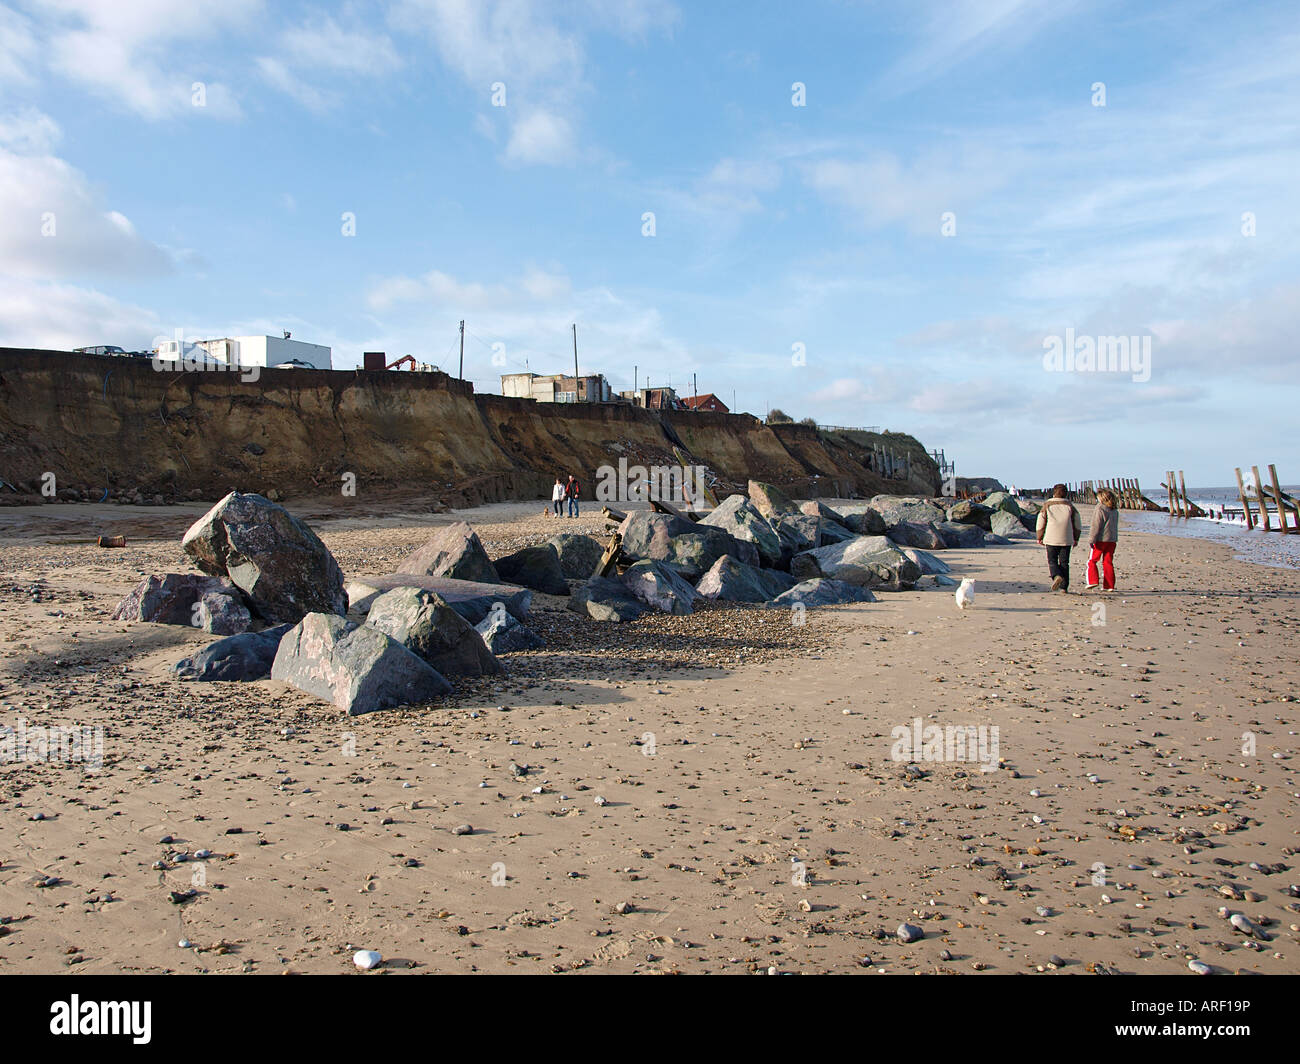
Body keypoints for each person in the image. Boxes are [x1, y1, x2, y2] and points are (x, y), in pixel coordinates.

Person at [1035, 483, 1081, 592]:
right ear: (1066, 493)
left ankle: (1056, 575)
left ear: (1054, 493)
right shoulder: (1070, 506)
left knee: (1052, 561)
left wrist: (1039, 536)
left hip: (1051, 538)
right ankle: (1064, 587)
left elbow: (1041, 521)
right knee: (1065, 562)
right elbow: (1077, 523)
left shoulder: (1047, 505)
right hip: (1067, 538)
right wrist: (1076, 537)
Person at [1086, 488, 1119, 591]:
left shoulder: (1100, 508)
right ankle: (1109, 585)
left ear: (1101, 498)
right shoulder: (1114, 510)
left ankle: (1093, 581)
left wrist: (1092, 539)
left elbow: (1096, 525)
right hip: (1112, 540)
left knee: (1092, 561)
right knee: (1108, 562)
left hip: (1100, 540)